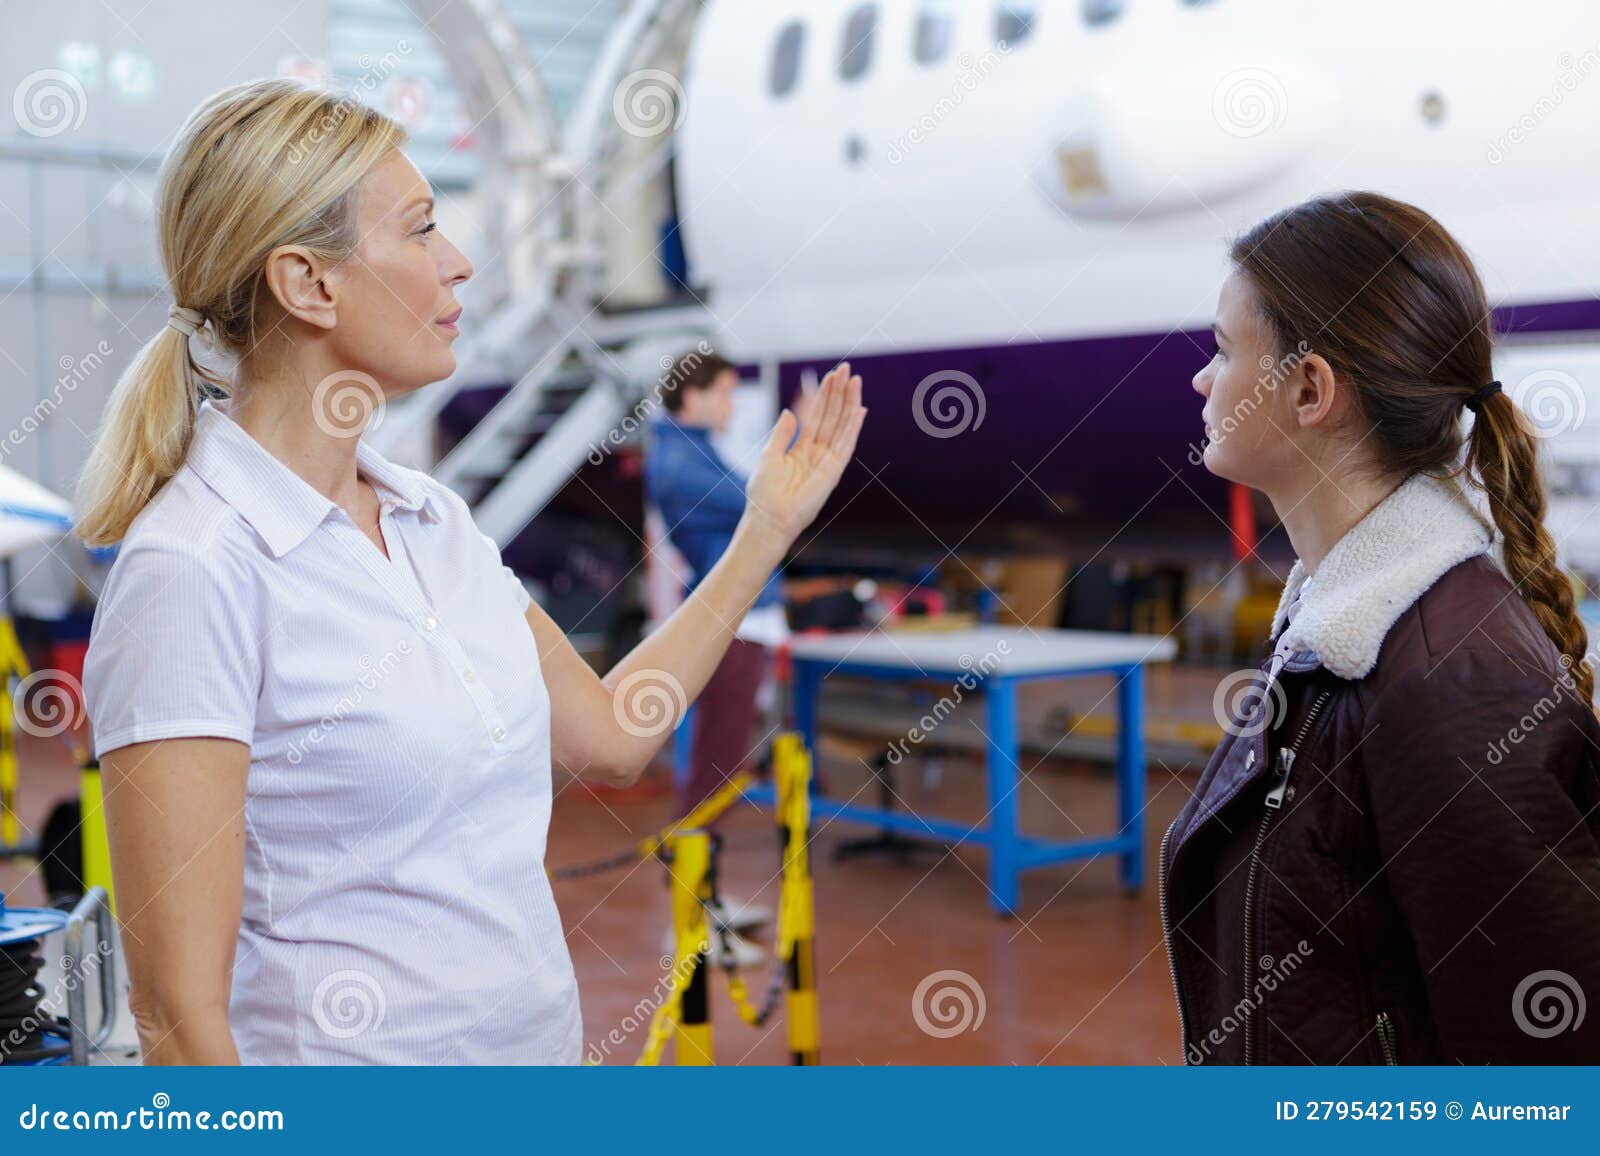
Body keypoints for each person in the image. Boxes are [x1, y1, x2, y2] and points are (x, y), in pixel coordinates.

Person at [75, 78, 866, 1065]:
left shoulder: (432, 520)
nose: (458, 262)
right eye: (420, 230)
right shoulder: (192, 570)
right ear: (307, 283)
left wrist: (765, 531)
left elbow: (615, 734)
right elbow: (178, 1021)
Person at [1167, 190, 1600, 1065]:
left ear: (1310, 389)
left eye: (1223, 349)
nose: (1202, 380)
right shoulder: (1344, 626)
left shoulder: (1449, 683)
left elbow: (1548, 1077)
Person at [643, 351, 788, 965]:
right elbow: (767, 508)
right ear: (692, 396)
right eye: (725, 392)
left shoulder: (694, 450)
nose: (733, 404)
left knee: (720, 767)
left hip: (739, 622)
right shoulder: (682, 462)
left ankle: (703, 898)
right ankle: (689, 919)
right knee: (716, 770)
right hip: (731, 624)